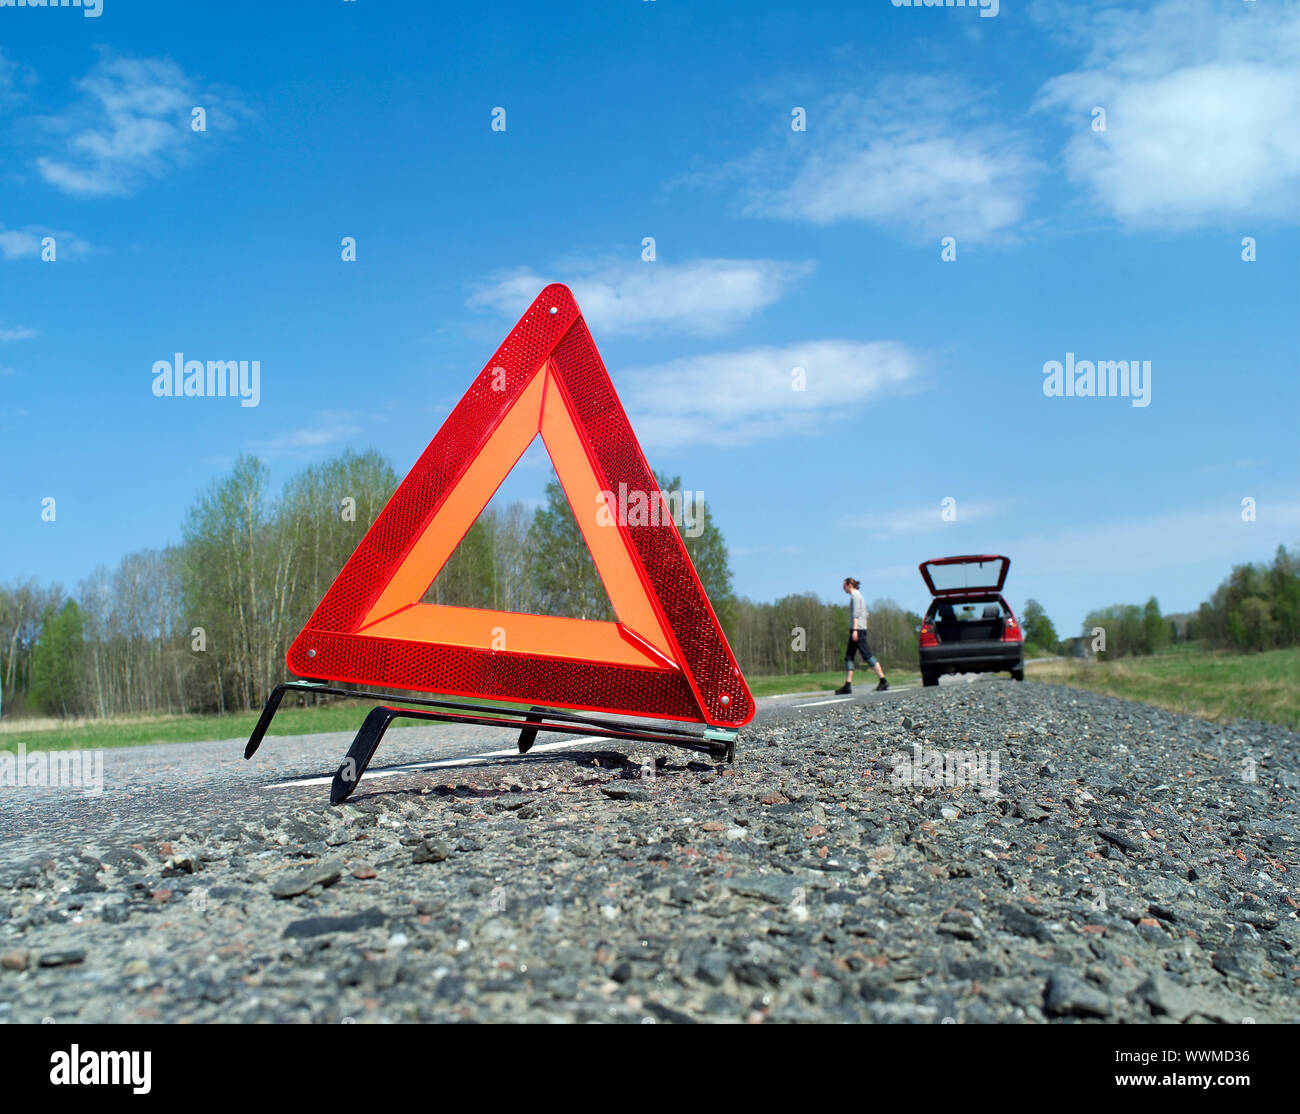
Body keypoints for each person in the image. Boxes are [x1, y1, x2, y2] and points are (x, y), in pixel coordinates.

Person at [836, 577, 888, 694]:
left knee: (867, 655)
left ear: (849, 585)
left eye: (844, 585)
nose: (843, 588)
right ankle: (847, 685)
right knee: (849, 656)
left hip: (857, 630)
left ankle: (883, 680)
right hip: (860, 629)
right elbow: (866, 614)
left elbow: (856, 614)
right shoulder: (859, 596)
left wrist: (855, 630)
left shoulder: (855, 596)